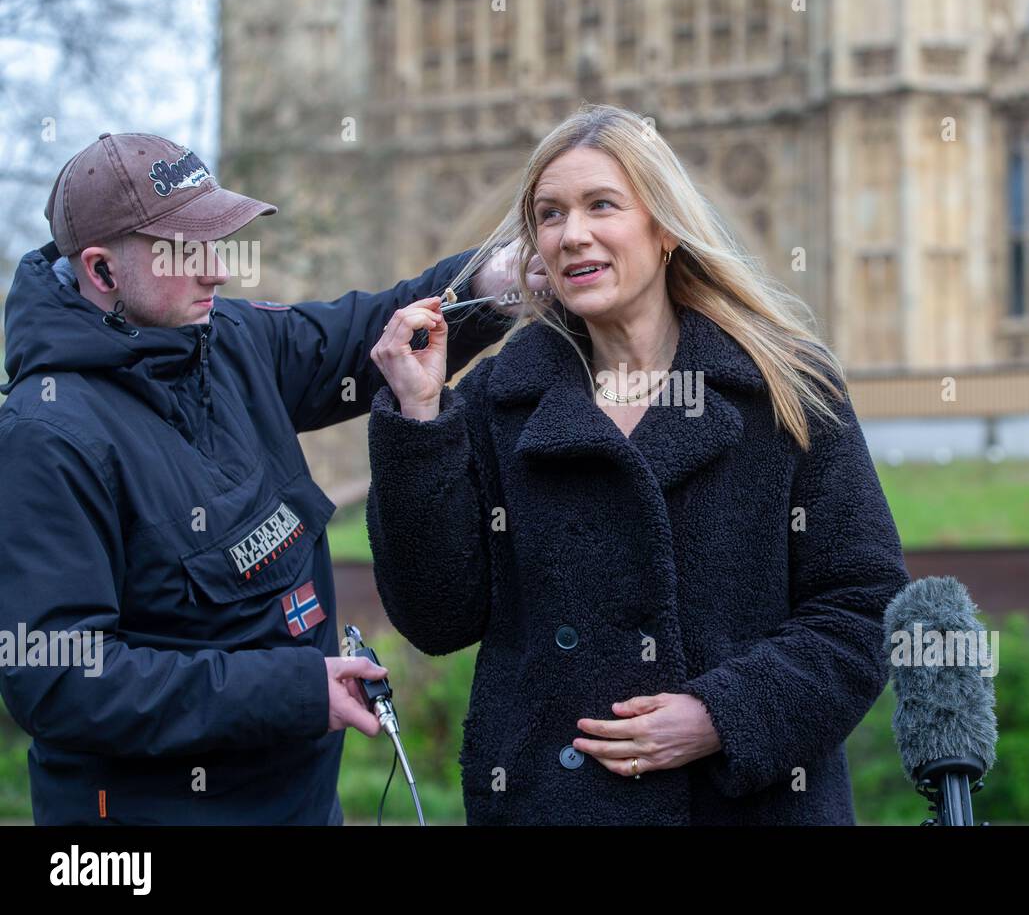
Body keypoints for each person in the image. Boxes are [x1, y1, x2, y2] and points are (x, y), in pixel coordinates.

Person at [366, 104, 912, 824]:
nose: (572, 235)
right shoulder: (499, 402)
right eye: (550, 216)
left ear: (662, 229)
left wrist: (722, 716)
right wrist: (418, 417)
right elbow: (438, 619)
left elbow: (864, 607)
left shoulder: (783, 386)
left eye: (602, 206)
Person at [0, 132, 529, 824]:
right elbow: (65, 681)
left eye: (218, 242)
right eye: (187, 251)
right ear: (101, 272)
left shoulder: (229, 339)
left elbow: (371, 333)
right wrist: (297, 691)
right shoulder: (49, 434)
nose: (219, 271)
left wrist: (491, 285)